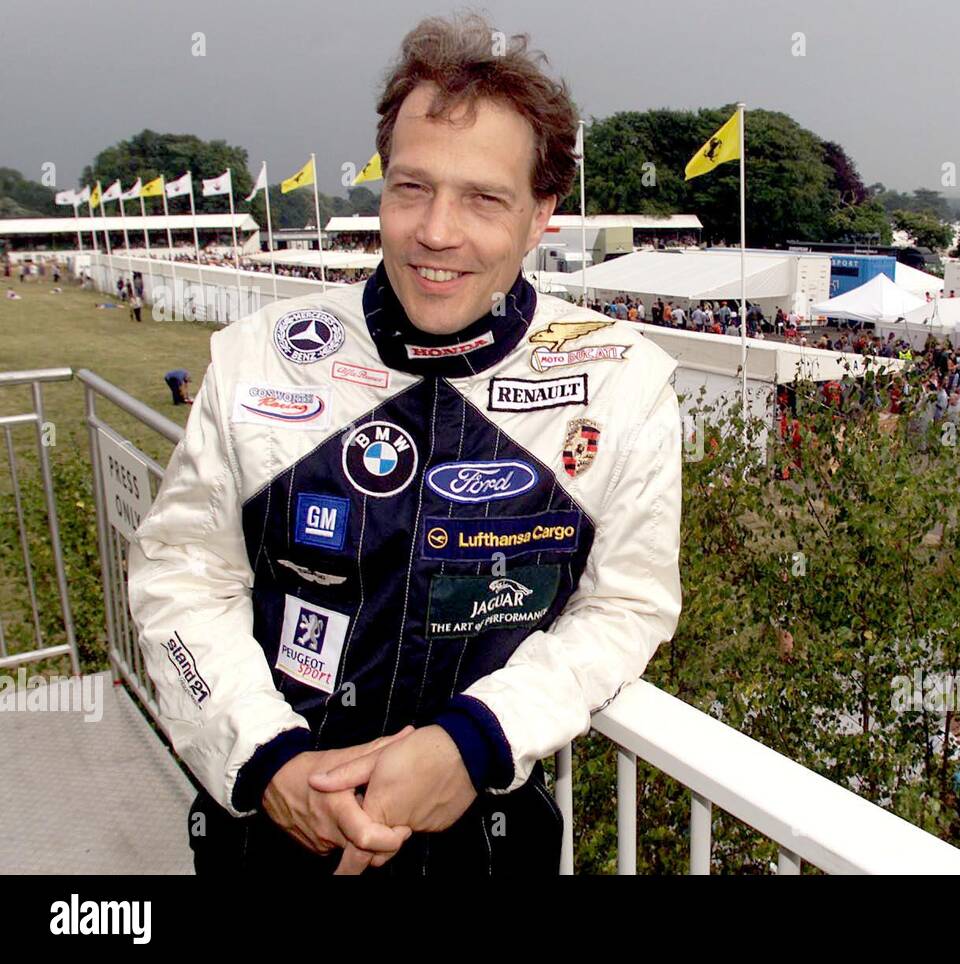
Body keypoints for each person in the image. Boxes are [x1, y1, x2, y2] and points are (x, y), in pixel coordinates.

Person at [127, 13, 683, 877]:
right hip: (269, 832)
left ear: (543, 214)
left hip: (488, 845)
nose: (435, 230)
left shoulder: (624, 380)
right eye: (412, 188)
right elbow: (180, 577)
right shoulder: (256, 356)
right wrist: (269, 761)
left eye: (484, 198)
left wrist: (476, 742)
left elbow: (629, 605)